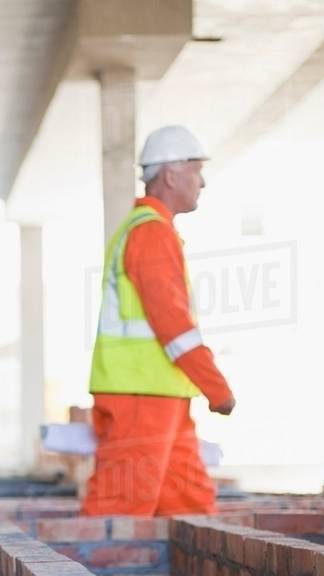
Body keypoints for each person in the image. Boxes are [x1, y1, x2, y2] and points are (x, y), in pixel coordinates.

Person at [82, 125, 235, 517]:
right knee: (119, 514)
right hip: (140, 397)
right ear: (171, 174)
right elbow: (174, 328)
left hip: (160, 396)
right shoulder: (150, 234)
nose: (202, 182)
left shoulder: (154, 230)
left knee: (190, 507)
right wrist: (216, 388)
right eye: (196, 171)